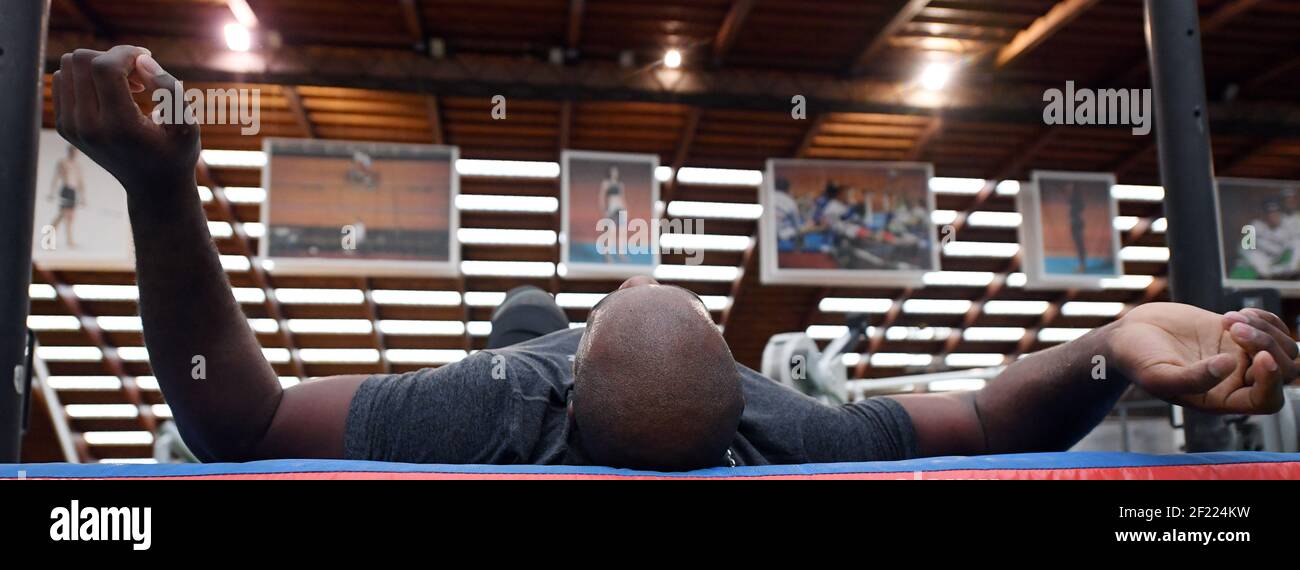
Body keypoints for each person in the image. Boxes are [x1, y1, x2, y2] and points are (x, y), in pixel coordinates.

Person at [52, 45, 1294, 470]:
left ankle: (530, 311)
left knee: (519, 304)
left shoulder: (496, 404)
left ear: (569, 369)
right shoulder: (779, 424)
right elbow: (990, 416)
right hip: (637, 379)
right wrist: (1102, 352)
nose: (644, 280)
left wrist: (163, 196)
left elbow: (237, 422)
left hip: (530, 366)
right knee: (527, 304)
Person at [46, 145, 86, 249]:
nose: (74, 153)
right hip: (66, 190)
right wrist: (51, 193)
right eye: (73, 151)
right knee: (62, 215)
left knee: (71, 217)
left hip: (73, 192)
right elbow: (56, 177)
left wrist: (83, 198)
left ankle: (69, 240)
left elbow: (80, 182)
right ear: (69, 151)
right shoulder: (63, 162)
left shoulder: (78, 166)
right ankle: (49, 238)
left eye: (76, 151)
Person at [599, 165, 629, 263]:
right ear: (610, 172)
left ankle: (621, 253)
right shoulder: (606, 183)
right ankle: (607, 254)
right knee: (610, 232)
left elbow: (622, 197)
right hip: (611, 208)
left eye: (616, 172)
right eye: (613, 171)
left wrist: (626, 210)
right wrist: (604, 210)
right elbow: (601, 197)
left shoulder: (620, 184)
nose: (614, 173)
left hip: (620, 208)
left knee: (622, 232)